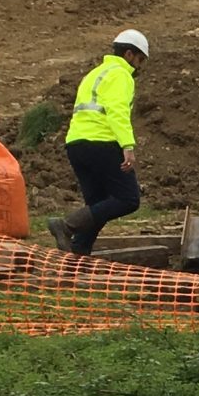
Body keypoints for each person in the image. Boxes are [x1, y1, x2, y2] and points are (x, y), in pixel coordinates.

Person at [50, 29, 150, 256]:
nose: (139, 66)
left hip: (76, 145)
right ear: (129, 54)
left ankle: (75, 259)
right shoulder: (121, 75)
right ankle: (66, 226)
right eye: (140, 59)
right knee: (128, 199)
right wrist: (127, 145)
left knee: (98, 206)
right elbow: (117, 111)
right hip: (102, 142)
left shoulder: (95, 74)